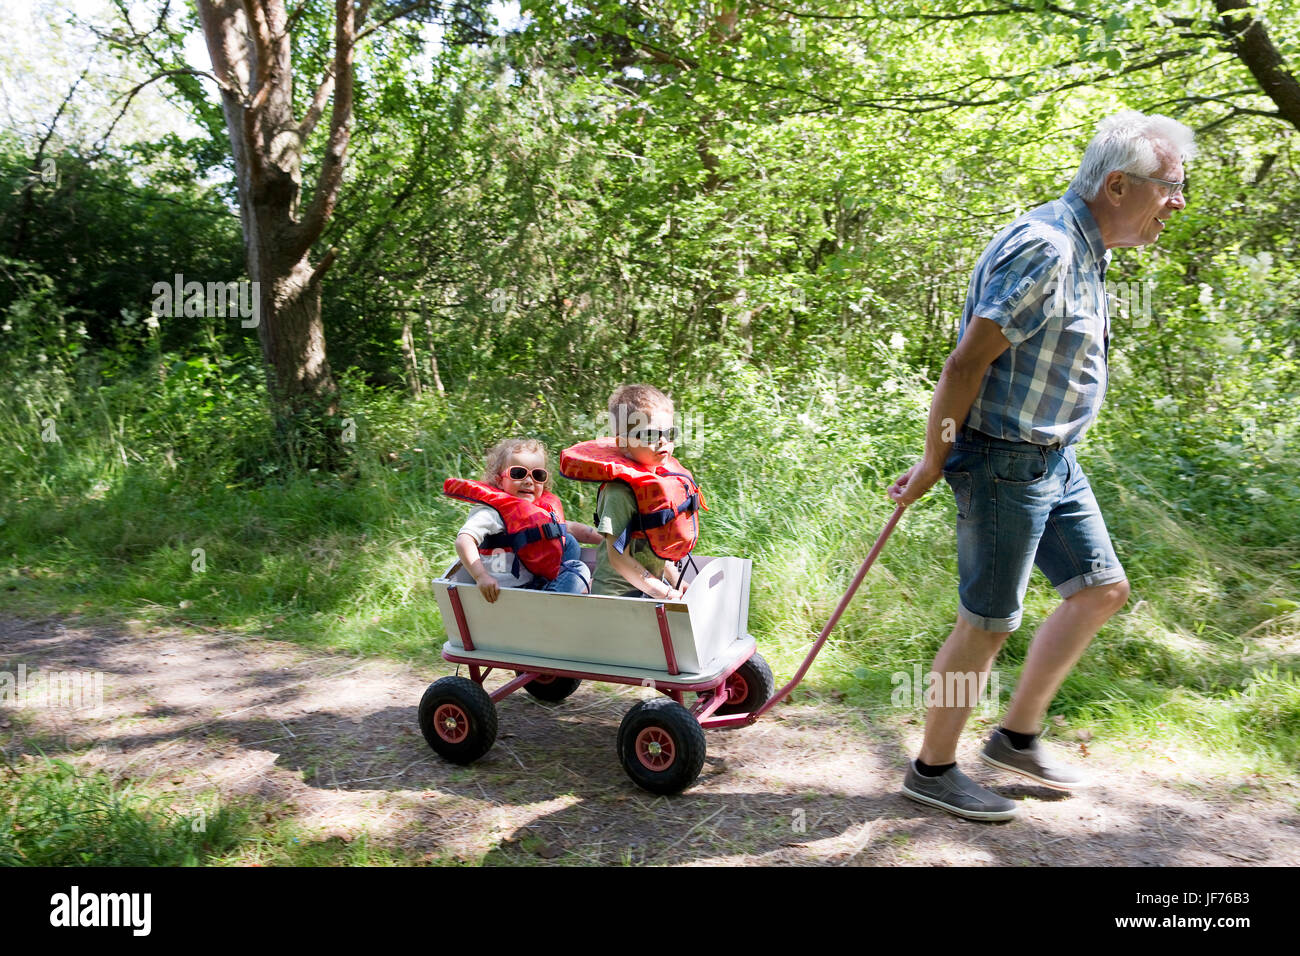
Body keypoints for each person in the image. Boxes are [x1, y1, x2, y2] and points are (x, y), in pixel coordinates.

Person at [888, 110, 1195, 821]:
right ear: (1118, 186)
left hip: (1054, 458)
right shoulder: (1048, 248)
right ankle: (932, 770)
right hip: (1003, 460)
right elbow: (965, 362)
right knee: (987, 621)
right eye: (1171, 187)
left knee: (1100, 589)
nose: (1178, 202)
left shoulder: (1089, 247)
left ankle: (1016, 737)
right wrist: (936, 459)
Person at [561, 384, 704, 600]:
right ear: (624, 444)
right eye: (649, 435)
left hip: (648, 590)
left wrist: (676, 582)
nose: (663, 441)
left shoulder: (659, 482)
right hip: (615, 597)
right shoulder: (618, 492)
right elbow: (617, 557)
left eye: (670, 433)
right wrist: (663, 591)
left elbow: (655, 543)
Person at [447, 438, 600, 602]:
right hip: (509, 593)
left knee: (568, 541)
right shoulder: (491, 512)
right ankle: (554, 604)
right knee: (579, 569)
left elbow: (570, 528)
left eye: (537, 475)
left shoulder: (537, 510)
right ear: (499, 480)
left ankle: (561, 594)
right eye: (518, 473)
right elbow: (464, 540)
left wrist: (608, 540)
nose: (528, 481)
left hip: (534, 582)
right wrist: (481, 576)